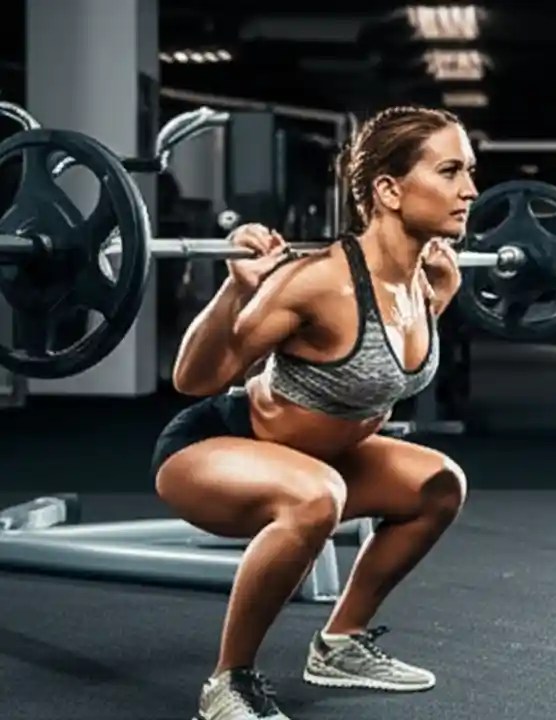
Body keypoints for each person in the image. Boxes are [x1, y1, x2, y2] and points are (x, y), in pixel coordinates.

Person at [152, 105, 477, 720]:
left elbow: (386, 368)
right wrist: (237, 289)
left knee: (439, 484)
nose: (470, 190)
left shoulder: (428, 281)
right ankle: (227, 684)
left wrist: (444, 296)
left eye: (469, 172)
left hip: (319, 462)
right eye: (451, 171)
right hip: (212, 446)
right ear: (388, 190)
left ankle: (340, 643)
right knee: (316, 495)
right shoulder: (317, 283)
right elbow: (193, 379)